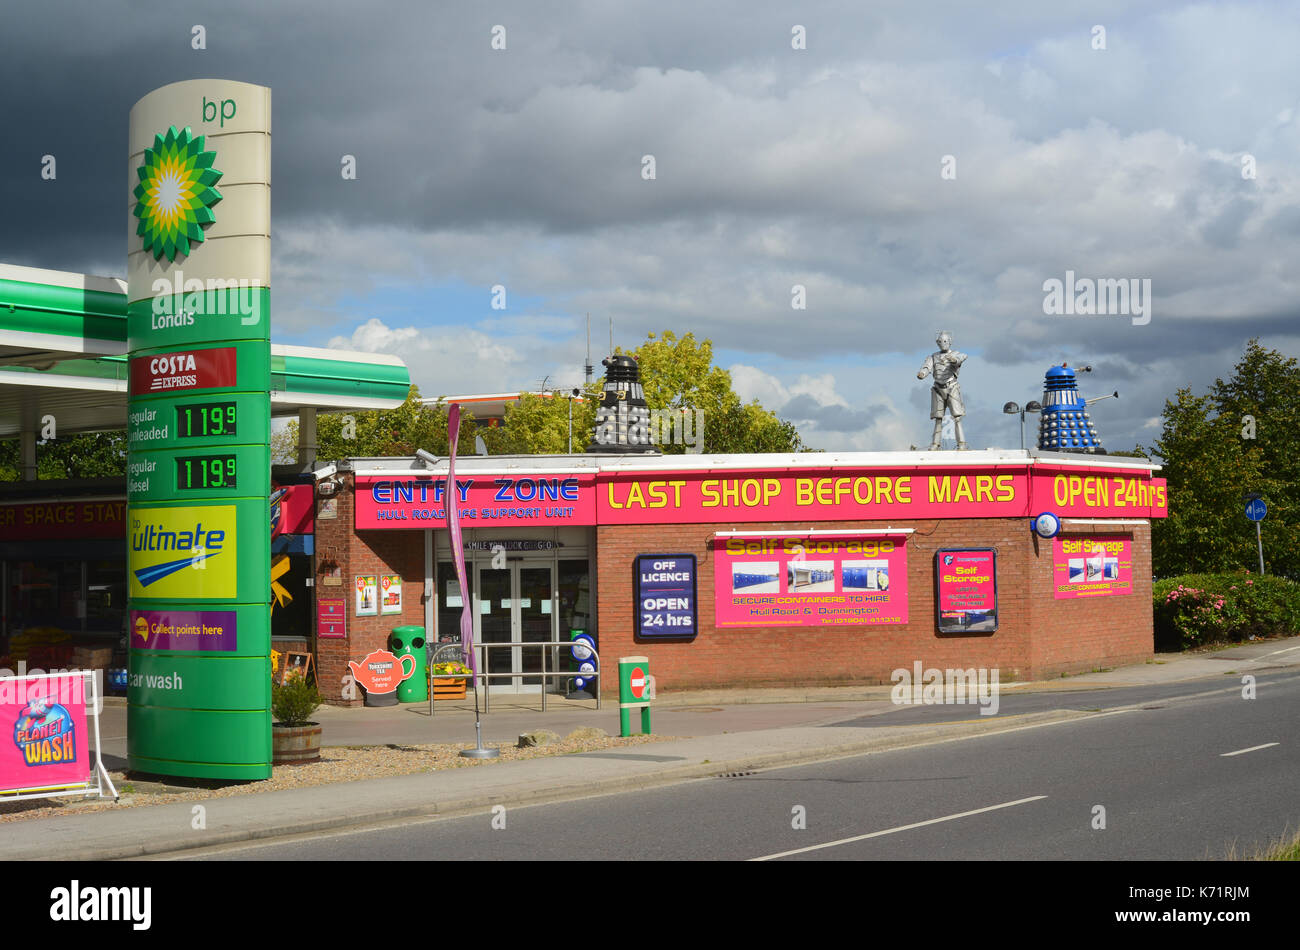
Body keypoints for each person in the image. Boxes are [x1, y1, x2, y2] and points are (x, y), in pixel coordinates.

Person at [916, 330, 968, 450]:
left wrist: (954, 360)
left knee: (957, 417)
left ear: (949, 342)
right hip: (938, 389)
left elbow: (963, 357)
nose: (942, 343)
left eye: (945, 341)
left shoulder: (955, 354)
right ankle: (935, 444)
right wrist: (922, 373)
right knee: (938, 418)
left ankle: (962, 443)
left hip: (952, 387)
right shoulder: (933, 356)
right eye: (940, 341)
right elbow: (926, 367)